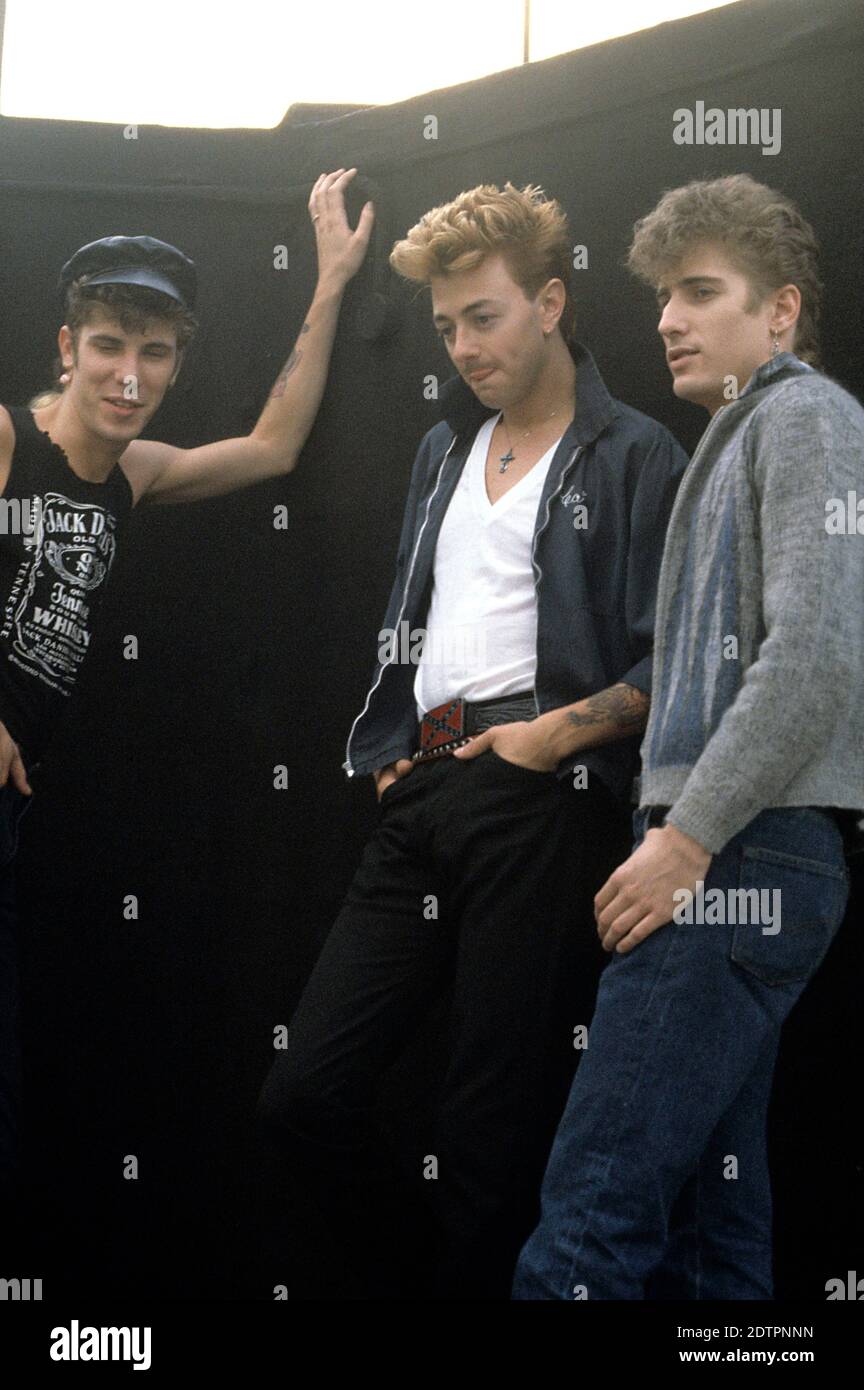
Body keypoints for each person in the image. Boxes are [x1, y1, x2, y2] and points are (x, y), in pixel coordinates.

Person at [256, 181, 688, 1299]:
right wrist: (395, 736)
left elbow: (681, 662)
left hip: (543, 799)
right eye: (446, 327)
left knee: (489, 1130)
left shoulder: (635, 454)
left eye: (482, 317)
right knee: (304, 1098)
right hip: (424, 789)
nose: (462, 347)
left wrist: (552, 737)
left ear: (550, 302)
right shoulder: (443, 449)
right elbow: (420, 613)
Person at [0, 168, 373, 1241]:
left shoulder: (131, 476)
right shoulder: (12, 443)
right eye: (109, 345)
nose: (129, 374)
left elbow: (273, 445)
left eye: (153, 352)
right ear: (68, 347)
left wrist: (332, 280)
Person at [513, 173, 864, 1301]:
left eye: (702, 291)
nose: (669, 317)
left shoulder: (807, 417)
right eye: (666, 294)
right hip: (747, 852)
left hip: (740, 853)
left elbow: (815, 658)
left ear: (782, 311)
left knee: (590, 1225)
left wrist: (689, 837)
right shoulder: (747, 429)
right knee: (717, 1240)